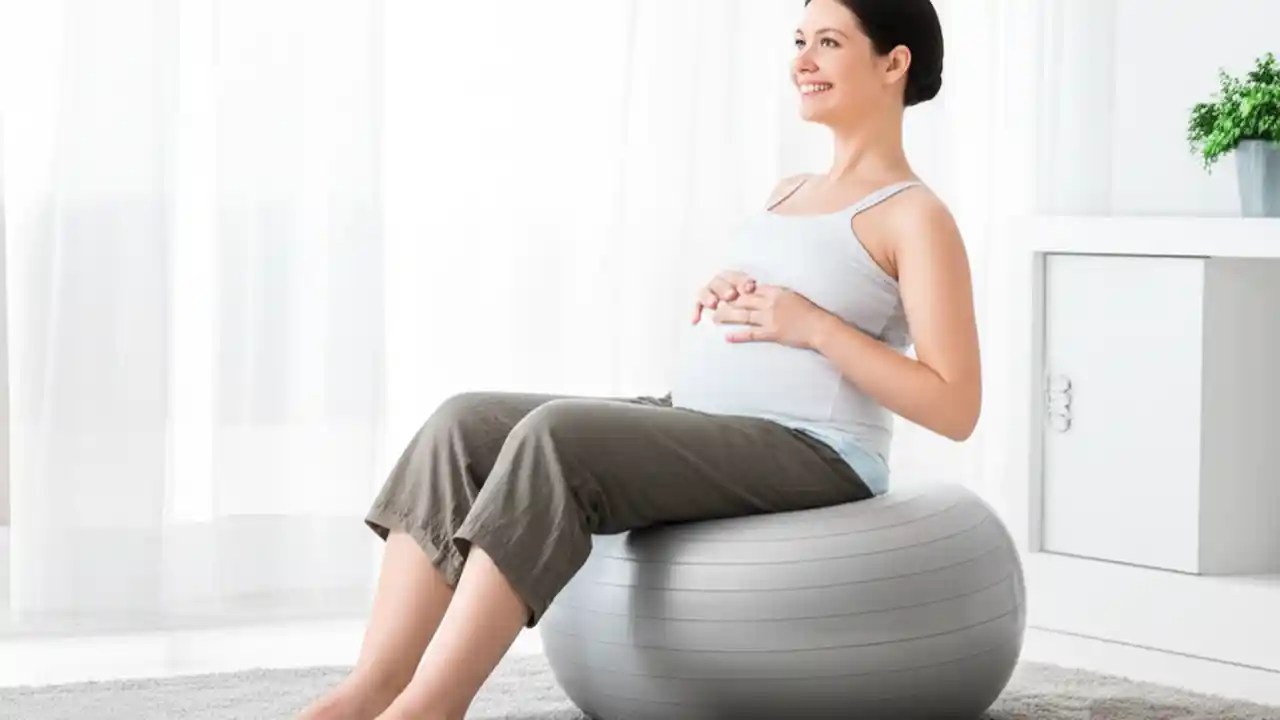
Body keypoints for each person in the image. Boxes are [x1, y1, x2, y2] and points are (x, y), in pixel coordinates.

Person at [298, 0, 978, 717]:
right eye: (800, 40)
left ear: (893, 63)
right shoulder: (790, 191)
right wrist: (732, 293)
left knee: (558, 438)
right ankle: (372, 687)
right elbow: (785, 297)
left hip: (818, 449)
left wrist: (814, 326)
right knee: (461, 424)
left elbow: (955, 404)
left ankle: (432, 706)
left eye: (829, 43)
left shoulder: (916, 215)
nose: (802, 61)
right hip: (708, 419)